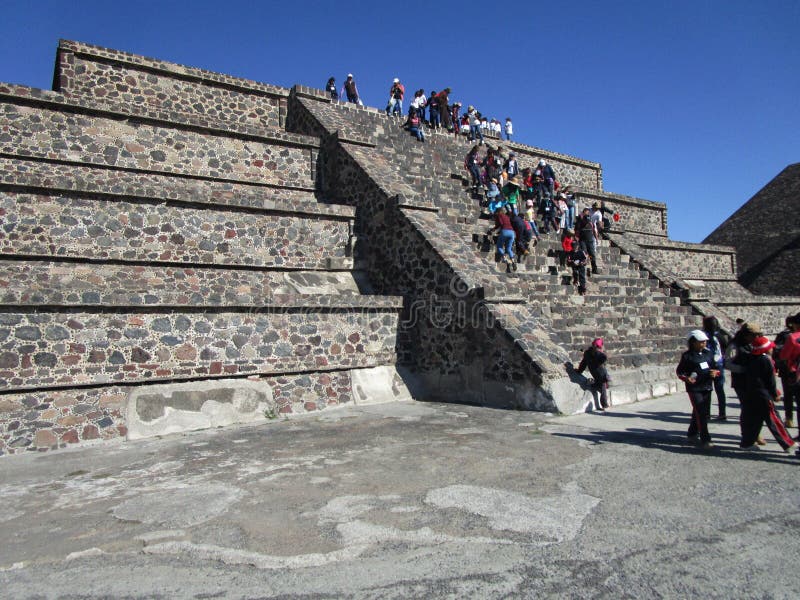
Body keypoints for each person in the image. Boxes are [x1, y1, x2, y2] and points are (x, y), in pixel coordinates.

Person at [740, 335, 798, 453]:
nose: (772, 349)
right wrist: (775, 393)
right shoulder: (766, 360)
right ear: (766, 349)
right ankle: (788, 443)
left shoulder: (751, 358)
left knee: (754, 419)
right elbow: (770, 380)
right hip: (763, 394)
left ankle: (747, 443)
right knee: (774, 419)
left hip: (752, 392)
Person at [676, 329, 720, 449]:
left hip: (707, 386)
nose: (704, 343)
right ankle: (706, 438)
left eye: (704, 341)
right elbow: (680, 372)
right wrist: (686, 378)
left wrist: (715, 373)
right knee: (701, 412)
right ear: (693, 342)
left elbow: (716, 367)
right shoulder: (687, 356)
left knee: (700, 411)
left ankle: (692, 433)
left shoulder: (708, 354)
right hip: (695, 388)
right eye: (701, 341)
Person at [774, 315, 799, 429]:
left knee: (788, 395)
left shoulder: (789, 336)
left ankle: (789, 419)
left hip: (790, 370)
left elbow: (783, 355)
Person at [702, 316, 729, 421]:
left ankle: (706, 413)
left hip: (707, 365)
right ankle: (722, 413)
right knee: (720, 390)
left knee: (707, 389)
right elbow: (725, 346)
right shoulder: (720, 336)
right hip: (719, 365)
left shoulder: (703, 336)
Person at [577, 338, 611, 410]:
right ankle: (605, 405)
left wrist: (579, 371)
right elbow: (584, 363)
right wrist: (579, 371)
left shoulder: (591, 353)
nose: (597, 348)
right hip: (599, 375)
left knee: (602, 388)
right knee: (601, 388)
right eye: (597, 347)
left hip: (599, 375)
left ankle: (604, 404)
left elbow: (583, 364)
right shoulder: (591, 353)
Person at [491, 205, 516, 270]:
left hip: (505, 231)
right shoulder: (507, 216)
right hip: (512, 233)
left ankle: (505, 259)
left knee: (499, 246)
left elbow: (500, 224)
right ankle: (513, 261)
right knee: (509, 249)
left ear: (498, 212)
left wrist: (494, 229)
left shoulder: (499, 216)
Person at [575, 207, 599, 273]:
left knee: (592, 255)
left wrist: (596, 238)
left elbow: (594, 230)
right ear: (584, 212)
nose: (588, 213)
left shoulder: (590, 220)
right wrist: (576, 236)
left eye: (588, 212)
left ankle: (594, 269)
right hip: (583, 240)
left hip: (590, 241)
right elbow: (577, 228)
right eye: (586, 212)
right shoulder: (580, 220)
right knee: (584, 254)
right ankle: (582, 268)